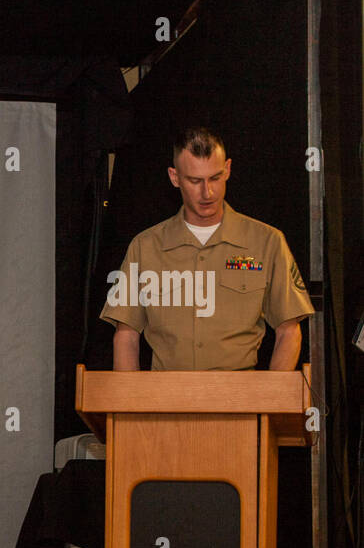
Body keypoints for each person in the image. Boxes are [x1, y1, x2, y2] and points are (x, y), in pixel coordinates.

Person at [101, 126, 314, 370]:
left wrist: (273, 401)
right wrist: (130, 404)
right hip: (163, 402)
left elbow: (289, 331)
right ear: (175, 177)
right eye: (195, 181)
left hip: (240, 401)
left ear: (228, 170)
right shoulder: (145, 247)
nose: (207, 192)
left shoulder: (267, 242)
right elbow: (126, 336)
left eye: (215, 177)